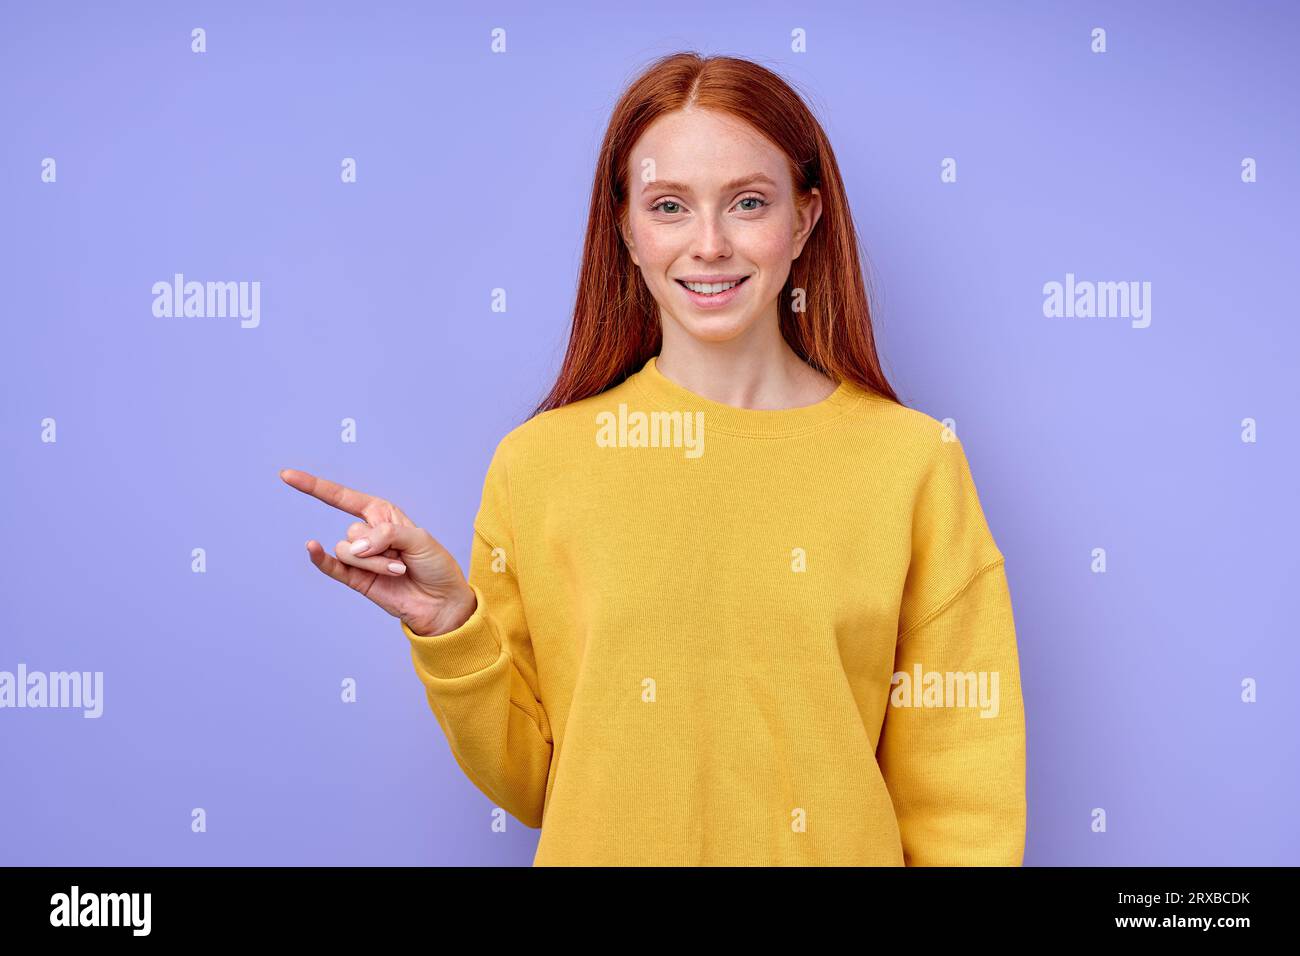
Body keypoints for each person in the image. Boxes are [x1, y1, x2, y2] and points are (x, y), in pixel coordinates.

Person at [280, 52, 1025, 866]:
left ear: (806, 220)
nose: (710, 244)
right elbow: (535, 784)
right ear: (627, 229)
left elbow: (964, 802)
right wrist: (450, 626)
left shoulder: (911, 463)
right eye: (670, 206)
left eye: (748, 202)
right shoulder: (540, 465)